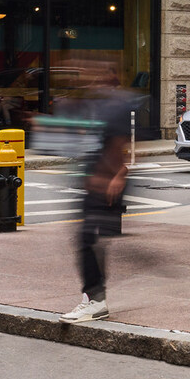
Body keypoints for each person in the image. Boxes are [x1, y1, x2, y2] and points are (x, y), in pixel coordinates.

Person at [57, 55, 140, 324]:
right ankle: (94, 297)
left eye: (96, 70)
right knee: (90, 241)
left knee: (88, 239)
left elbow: (125, 145)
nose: (88, 75)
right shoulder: (94, 103)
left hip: (108, 185)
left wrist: (119, 176)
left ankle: (95, 300)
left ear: (111, 76)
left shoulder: (119, 104)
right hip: (93, 182)